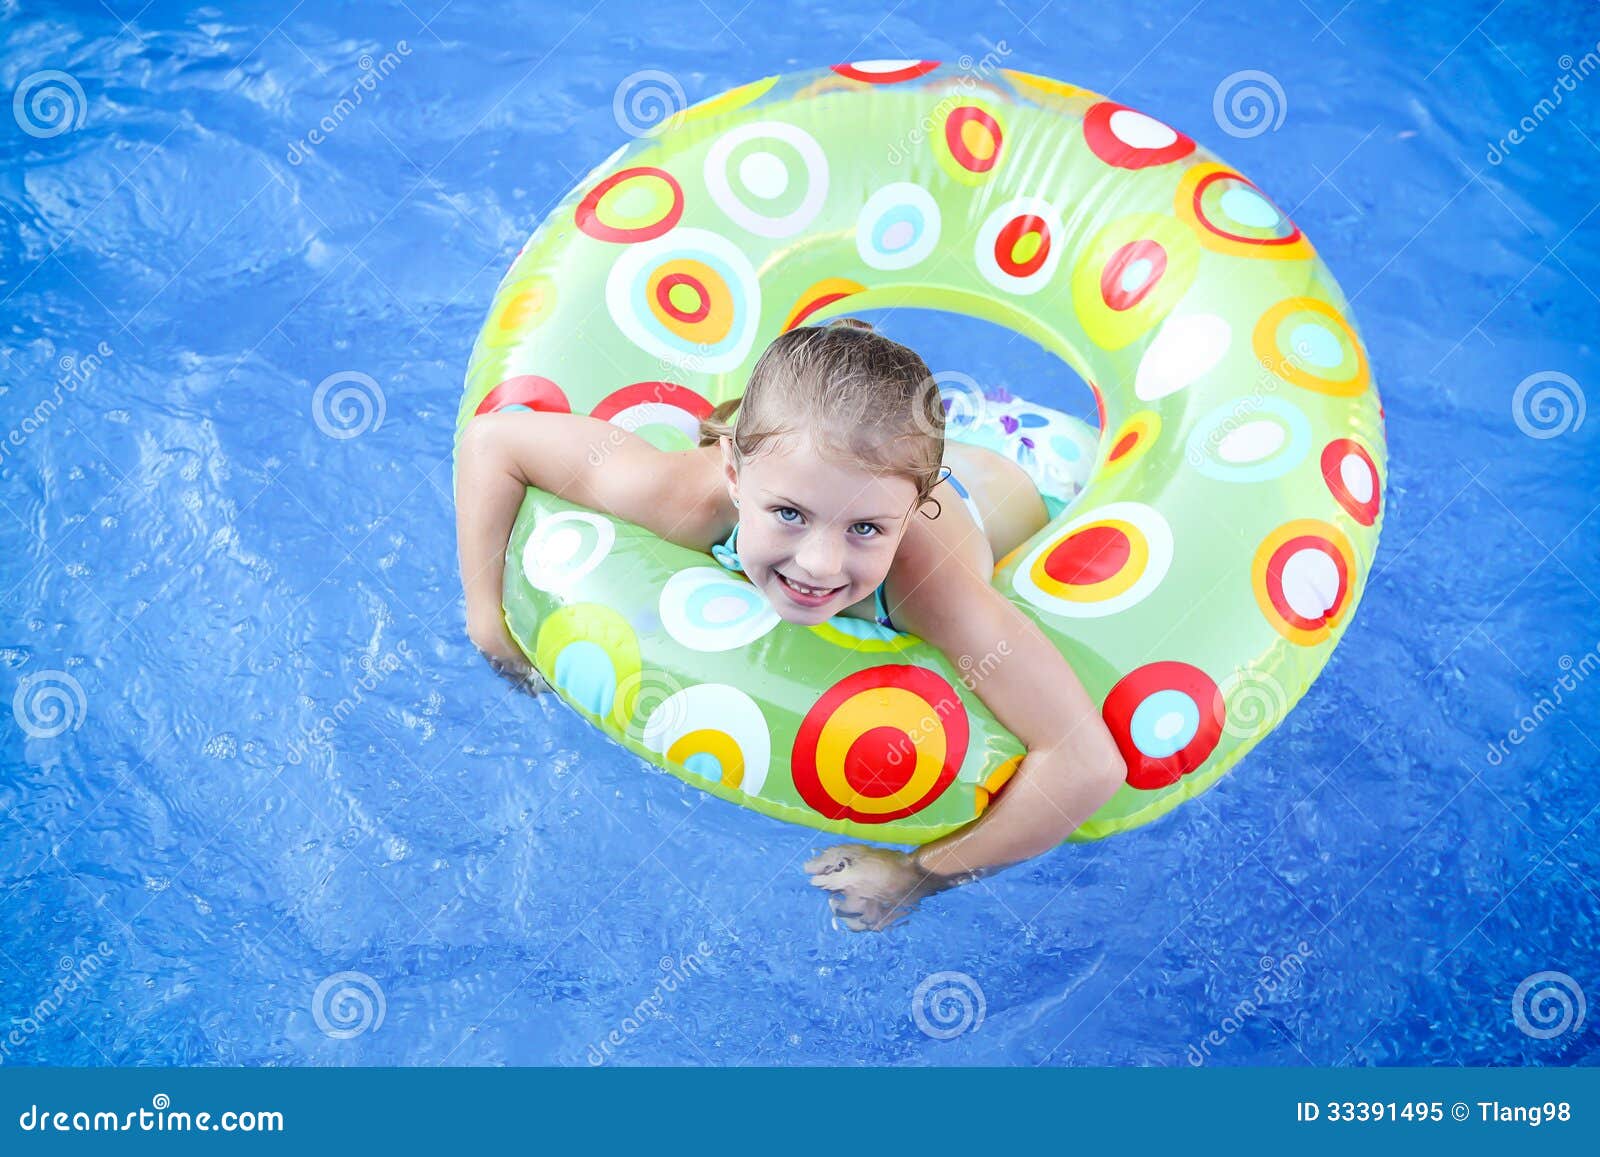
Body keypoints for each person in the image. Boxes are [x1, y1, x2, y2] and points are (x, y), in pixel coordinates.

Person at [455, 318, 1126, 932]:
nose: (820, 563)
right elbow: (497, 441)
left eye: (866, 529)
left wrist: (917, 874)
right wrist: (488, 621)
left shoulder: (934, 584)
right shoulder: (683, 496)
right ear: (733, 474)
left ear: (913, 511)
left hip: (1009, 481)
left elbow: (1086, 762)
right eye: (789, 514)